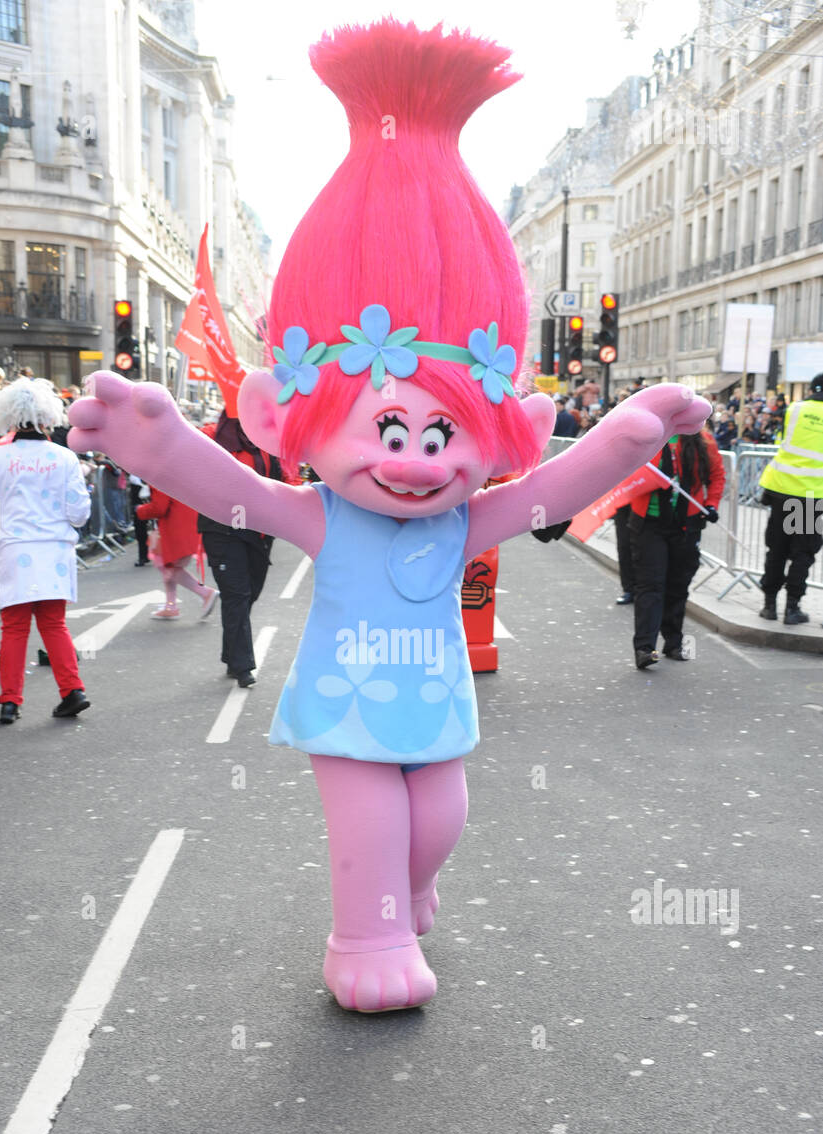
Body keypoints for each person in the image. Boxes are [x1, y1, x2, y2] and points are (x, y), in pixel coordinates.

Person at [68, 19, 709, 1013]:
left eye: (443, 431)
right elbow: (238, 496)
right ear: (292, 417)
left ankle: (406, 893)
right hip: (345, 702)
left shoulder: (463, 518)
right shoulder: (323, 511)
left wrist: (627, 434)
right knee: (368, 821)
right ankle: (361, 935)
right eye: (388, 426)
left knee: (437, 819)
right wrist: (152, 444)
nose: (414, 457)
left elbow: (548, 492)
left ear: (502, 428)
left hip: (435, 703)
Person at [0, 377, 92, 723]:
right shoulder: (64, 457)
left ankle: (10, 701)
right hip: (54, 551)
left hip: (14, 549)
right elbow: (80, 514)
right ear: (47, 417)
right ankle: (72, 690)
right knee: (54, 623)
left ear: (7, 415)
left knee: (15, 627)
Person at [196, 410, 282, 687]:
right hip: (222, 528)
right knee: (237, 595)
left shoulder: (266, 443)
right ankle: (242, 666)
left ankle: (231, 653)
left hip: (257, 531)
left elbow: (278, 483)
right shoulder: (213, 439)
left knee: (249, 594)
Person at [628, 429, 725, 669]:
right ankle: (644, 648)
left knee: (677, 585)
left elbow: (716, 475)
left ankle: (673, 643)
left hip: (686, 523)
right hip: (649, 524)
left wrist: (711, 504)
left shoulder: (703, 440)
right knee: (650, 584)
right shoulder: (647, 437)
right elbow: (627, 474)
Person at [757, 374, 823, 625]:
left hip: (780, 489)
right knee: (802, 552)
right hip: (810, 496)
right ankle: (792, 608)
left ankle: (769, 605)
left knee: (777, 549)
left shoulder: (795, 409)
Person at [135, 485, 217, 620]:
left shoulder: (159, 475)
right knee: (167, 565)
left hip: (175, 527)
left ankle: (205, 593)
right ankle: (170, 605)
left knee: (167, 566)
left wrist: (140, 510)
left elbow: (160, 507)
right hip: (181, 523)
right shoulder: (171, 471)